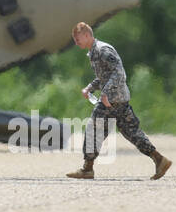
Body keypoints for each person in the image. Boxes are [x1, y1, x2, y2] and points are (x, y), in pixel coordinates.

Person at [68, 22, 170, 179]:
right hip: (117, 99)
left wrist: (105, 94)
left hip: (112, 100)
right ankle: (159, 159)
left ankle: (87, 169)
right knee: (132, 133)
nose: (76, 41)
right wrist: (89, 88)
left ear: (87, 35)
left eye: (77, 38)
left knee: (93, 129)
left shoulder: (103, 50)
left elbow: (119, 73)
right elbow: (104, 76)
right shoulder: (94, 52)